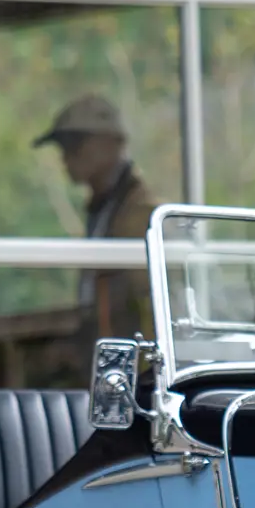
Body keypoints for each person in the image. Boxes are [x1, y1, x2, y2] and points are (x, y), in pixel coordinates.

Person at [33, 94, 163, 339]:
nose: (66, 157)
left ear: (112, 142)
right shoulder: (104, 207)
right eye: (64, 147)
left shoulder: (141, 213)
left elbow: (151, 302)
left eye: (75, 143)